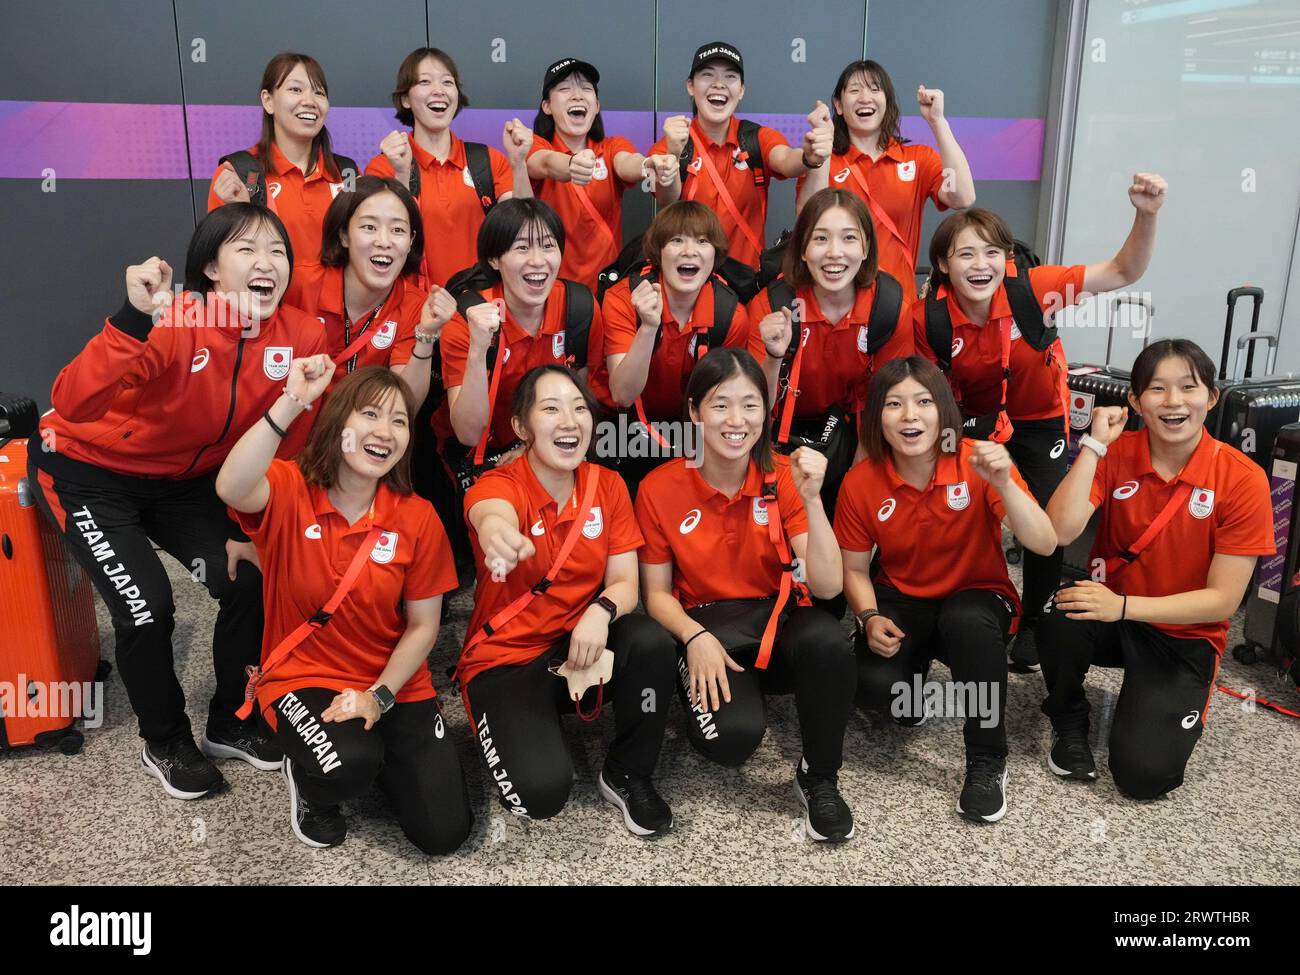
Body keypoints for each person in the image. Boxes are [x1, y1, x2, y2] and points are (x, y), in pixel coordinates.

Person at [28, 204, 327, 799]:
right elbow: (71, 400)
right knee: (148, 608)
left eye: (278, 252)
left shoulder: (303, 335)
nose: (266, 263)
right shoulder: (175, 319)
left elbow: (281, 455)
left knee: (248, 577)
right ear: (211, 268)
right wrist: (132, 319)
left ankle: (228, 720)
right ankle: (164, 738)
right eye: (246, 250)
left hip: (184, 483)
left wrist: (256, 529)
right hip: (89, 473)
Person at [914, 174, 1168, 672]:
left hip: (1039, 419)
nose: (981, 265)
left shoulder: (1036, 289)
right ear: (943, 265)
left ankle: (1035, 618)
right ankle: (957, 607)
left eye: (992, 253)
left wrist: (1146, 213)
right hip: (971, 421)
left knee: (1050, 519)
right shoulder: (928, 319)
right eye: (965, 255)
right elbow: (921, 390)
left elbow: (1122, 271)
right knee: (952, 505)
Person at [216, 363, 472, 852]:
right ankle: (315, 786)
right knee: (343, 766)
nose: (385, 431)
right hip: (305, 674)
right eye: (370, 413)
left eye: (399, 421)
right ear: (338, 423)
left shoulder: (417, 517)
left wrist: (379, 697)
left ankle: (372, 748)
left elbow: (423, 626)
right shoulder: (290, 488)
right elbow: (231, 487)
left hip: (392, 682)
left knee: (444, 834)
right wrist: (290, 402)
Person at [636, 348, 856, 842]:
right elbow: (654, 596)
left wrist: (816, 498)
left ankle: (819, 776)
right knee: (730, 741)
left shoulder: (786, 476)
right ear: (694, 412)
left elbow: (826, 586)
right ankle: (718, 690)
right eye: (720, 405)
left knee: (830, 643)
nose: (736, 420)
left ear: (766, 411)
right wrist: (693, 638)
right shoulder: (659, 486)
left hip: (778, 616)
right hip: (706, 625)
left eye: (750, 404)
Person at [1040, 340, 1273, 799]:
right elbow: (1059, 531)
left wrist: (1124, 606)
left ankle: (1154, 702)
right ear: (1134, 400)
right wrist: (1092, 446)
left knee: (1144, 778)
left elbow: (1223, 600)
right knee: (1059, 610)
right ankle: (1067, 716)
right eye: (1157, 389)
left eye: (1188, 388)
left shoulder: (1243, 479)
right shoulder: (1118, 453)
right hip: (1112, 612)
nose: (1173, 402)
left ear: (1211, 397)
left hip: (1182, 636)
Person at [835, 357, 1057, 823]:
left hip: (977, 596)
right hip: (902, 598)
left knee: (967, 622)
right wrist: (868, 617)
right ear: (876, 416)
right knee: (873, 688)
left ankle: (987, 759)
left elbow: (1045, 541)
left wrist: (1005, 483)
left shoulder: (978, 459)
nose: (910, 416)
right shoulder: (860, 482)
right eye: (894, 404)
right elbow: (854, 569)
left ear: (945, 414)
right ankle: (913, 681)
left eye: (923, 402)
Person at [457, 366, 677, 836]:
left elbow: (624, 583)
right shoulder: (502, 484)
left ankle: (627, 772)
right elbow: (488, 512)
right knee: (539, 795)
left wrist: (601, 611)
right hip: (507, 659)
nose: (570, 421)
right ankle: (524, 726)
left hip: (576, 646)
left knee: (651, 641)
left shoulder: (608, 485)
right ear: (521, 427)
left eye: (579, 409)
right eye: (551, 409)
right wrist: (498, 534)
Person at [749, 186, 912, 515]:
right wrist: (772, 356)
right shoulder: (772, 305)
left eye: (849, 238)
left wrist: (856, 484)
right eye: (820, 239)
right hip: (777, 431)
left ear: (867, 247)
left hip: (849, 430)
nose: (835, 253)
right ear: (803, 251)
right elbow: (754, 407)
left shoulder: (889, 306)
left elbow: (882, 404)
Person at [593, 200, 762, 493]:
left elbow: (723, 402)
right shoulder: (624, 298)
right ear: (658, 253)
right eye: (676, 240)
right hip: (620, 428)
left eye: (702, 241)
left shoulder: (730, 315)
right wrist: (647, 326)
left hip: (691, 429)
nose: (689, 251)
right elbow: (622, 394)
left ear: (715, 256)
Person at [437, 198, 602, 483]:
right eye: (522, 247)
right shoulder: (467, 317)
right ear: (493, 259)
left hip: (548, 445)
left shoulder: (580, 308)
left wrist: (529, 452)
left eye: (548, 246)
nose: (538, 261)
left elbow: (579, 404)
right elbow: (467, 433)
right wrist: (478, 348)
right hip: (477, 454)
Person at [797, 60, 976, 300]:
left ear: (887, 102)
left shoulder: (917, 158)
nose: (864, 97)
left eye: (874, 89)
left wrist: (938, 122)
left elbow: (962, 196)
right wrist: (823, 153)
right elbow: (806, 218)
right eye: (854, 90)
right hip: (837, 301)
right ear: (838, 105)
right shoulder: (825, 161)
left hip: (898, 302)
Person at [650, 41, 833, 269]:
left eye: (730, 77)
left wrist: (809, 156)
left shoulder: (757, 138)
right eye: (707, 75)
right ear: (690, 86)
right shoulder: (671, 145)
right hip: (689, 281)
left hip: (747, 284)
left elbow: (786, 160)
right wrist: (673, 156)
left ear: (742, 90)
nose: (719, 84)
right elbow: (666, 199)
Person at [366, 47, 533, 289]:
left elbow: (523, 228)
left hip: (480, 306)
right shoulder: (383, 166)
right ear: (405, 99)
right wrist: (401, 174)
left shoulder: (488, 161)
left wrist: (518, 164)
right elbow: (385, 239)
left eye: (447, 82)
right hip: (414, 306)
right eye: (425, 81)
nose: (439, 91)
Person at [293, 175, 455, 407]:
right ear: (344, 235)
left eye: (398, 230)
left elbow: (404, 405)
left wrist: (426, 336)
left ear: (411, 242)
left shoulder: (416, 306)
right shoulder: (299, 284)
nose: (384, 241)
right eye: (369, 227)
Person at [207, 52, 354, 308]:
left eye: (319, 93)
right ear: (268, 101)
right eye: (296, 89)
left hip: (341, 321)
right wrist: (243, 211)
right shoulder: (239, 174)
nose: (309, 101)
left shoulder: (347, 172)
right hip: (271, 324)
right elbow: (224, 269)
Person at [526, 57, 676, 290]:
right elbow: (543, 163)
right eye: (565, 89)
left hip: (606, 287)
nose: (577, 95)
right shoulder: (535, 145)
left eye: (586, 89)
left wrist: (648, 165)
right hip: (551, 288)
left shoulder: (612, 146)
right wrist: (572, 164)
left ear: (596, 106)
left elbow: (627, 163)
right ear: (546, 106)